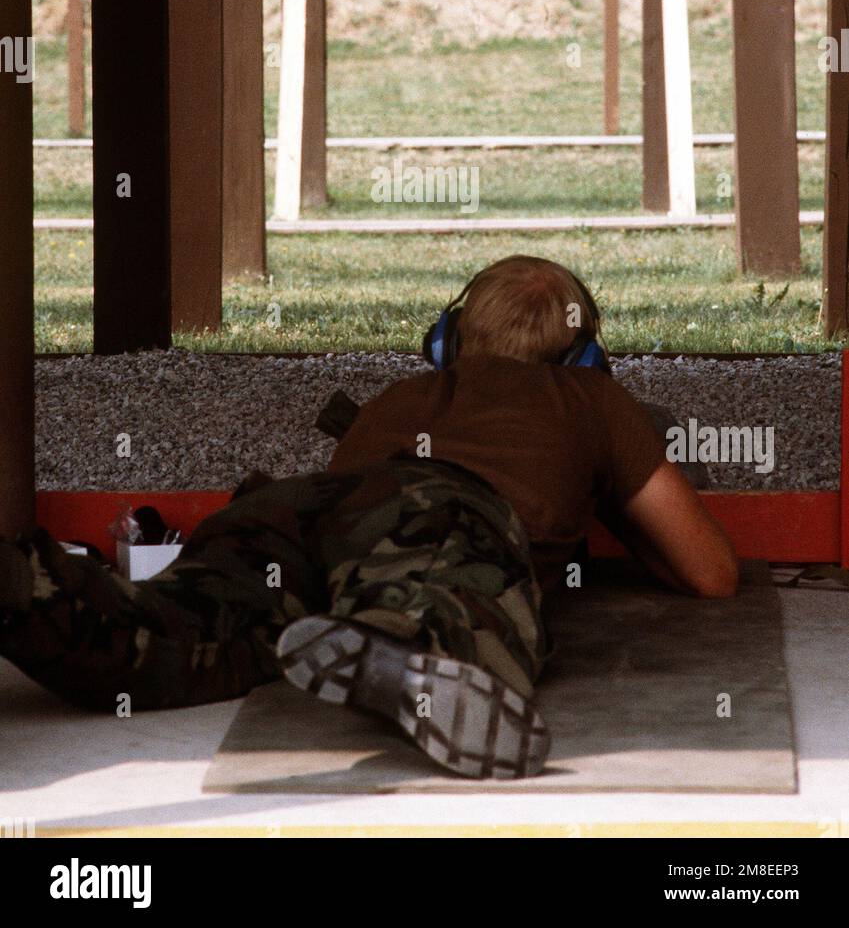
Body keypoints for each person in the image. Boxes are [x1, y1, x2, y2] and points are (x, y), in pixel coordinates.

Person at [0, 255, 737, 781]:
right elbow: (710, 572)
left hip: (290, 506)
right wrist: (612, 496)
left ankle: (40, 590)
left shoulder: (399, 397)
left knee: (189, 622)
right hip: (442, 510)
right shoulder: (591, 398)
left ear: (448, 338)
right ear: (584, 358)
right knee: (451, 595)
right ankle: (407, 650)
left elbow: (349, 528)